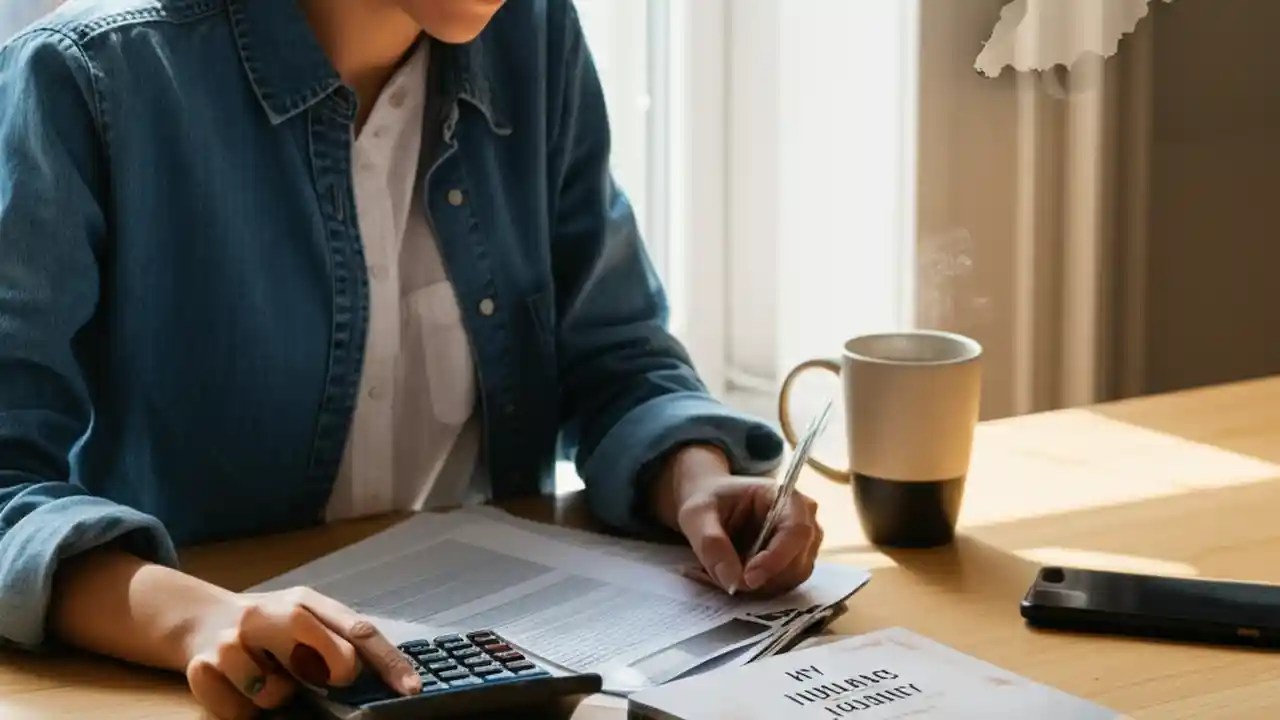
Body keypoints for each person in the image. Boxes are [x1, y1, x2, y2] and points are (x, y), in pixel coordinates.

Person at [0, 0, 825, 717]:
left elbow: (613, 352)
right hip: (208, 694)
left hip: (487, 679)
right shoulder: (87, 81)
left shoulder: (534, 42)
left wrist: (695, 480)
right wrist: (198, 619)